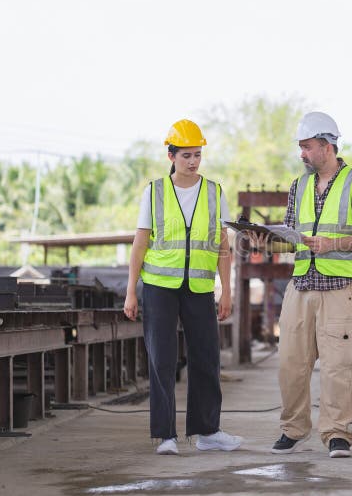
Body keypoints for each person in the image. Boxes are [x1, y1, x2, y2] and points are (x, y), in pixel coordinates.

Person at [253, 111, 352, 458]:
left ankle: (337, 433)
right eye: (300, 148)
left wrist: (333, 244)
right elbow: (292, 234)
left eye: (307, 147)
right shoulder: (299, 186)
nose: (302, 154)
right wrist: (264, 239)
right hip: (301, 284)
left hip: (341, 286)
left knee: (338, 364)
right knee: (291, 362)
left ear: (327, 146)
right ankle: (293, 429)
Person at [123, 118, 242, 455]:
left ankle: (207, 432)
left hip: (200, 288)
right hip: (159, 288)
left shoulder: (215, 192)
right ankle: (166, 436)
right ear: (171, 156)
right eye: (186, 155)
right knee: (162, 359)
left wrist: (227, 291)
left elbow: (223, 246)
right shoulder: (155, 191)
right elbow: (140, 243)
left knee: (206, 359)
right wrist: (131, 290)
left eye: (198, 155)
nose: (193, 161)